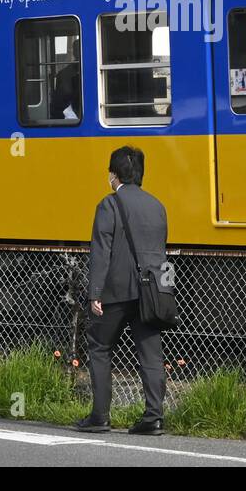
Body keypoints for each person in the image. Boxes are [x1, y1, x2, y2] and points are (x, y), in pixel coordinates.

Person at [74, 145, 169, 436]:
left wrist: (95, 293)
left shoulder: (109, 204)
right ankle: (153, 418)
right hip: (151, 292)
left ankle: (100, 416)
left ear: (114, 175)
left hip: (115, 292)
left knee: (100, 346)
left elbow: (101, 252)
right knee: (151, 354)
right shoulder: (157, 206)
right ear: (140, 173)